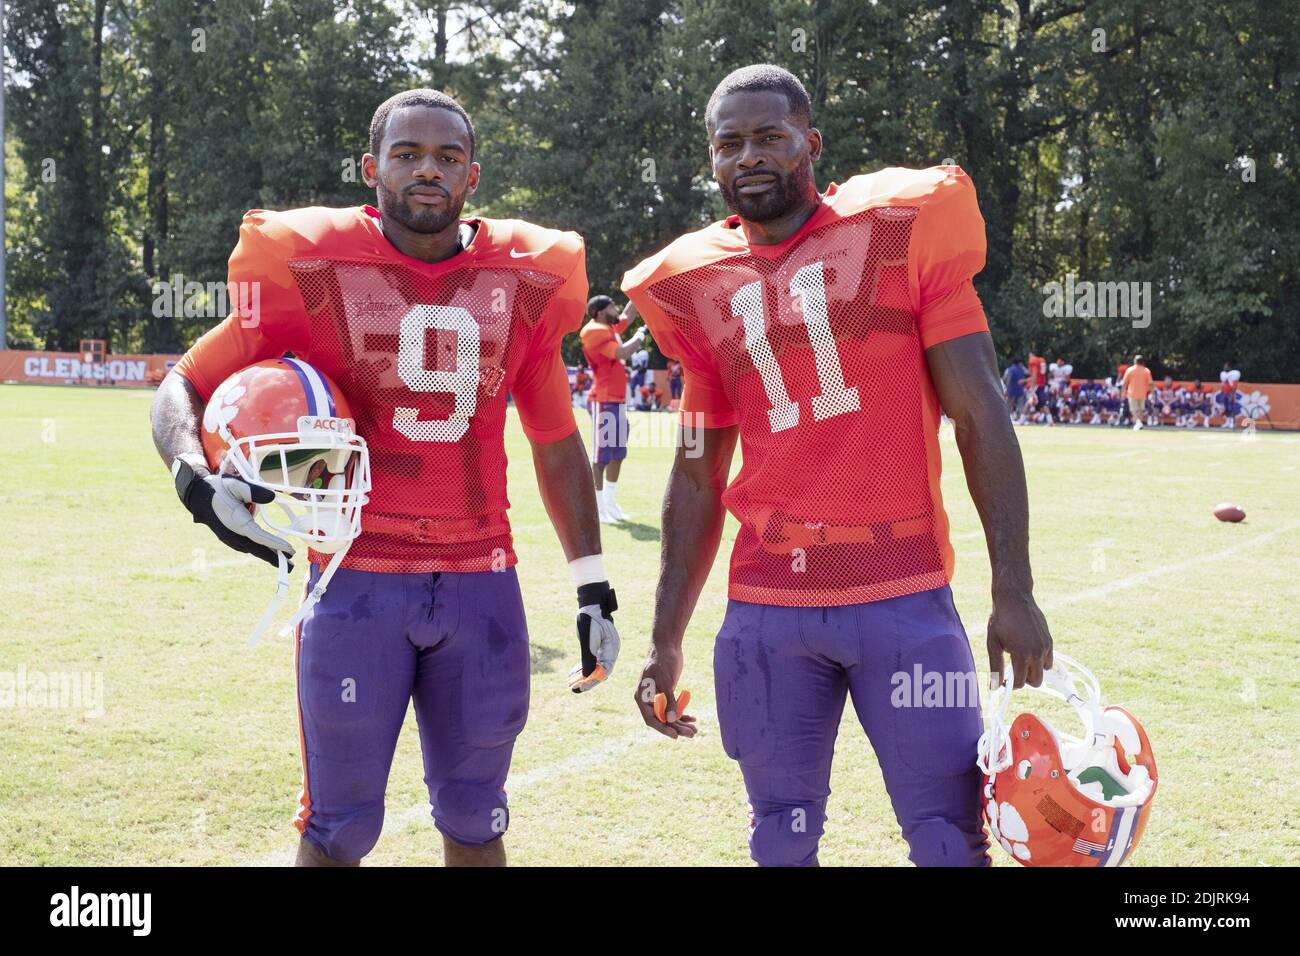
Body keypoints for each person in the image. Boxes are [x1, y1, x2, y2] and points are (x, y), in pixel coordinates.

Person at [149, 89, 623, 868]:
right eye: (407, 154)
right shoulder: (310, 270)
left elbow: (556, 439)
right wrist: (193, 478)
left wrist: (592, 583)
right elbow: (185, 383)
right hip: (356, 576)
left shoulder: (522, 279)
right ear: (372, 169)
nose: (427, 170)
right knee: (338, 827)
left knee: (477, 817)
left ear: (473, 175)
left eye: (447, 157)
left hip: (481, 578)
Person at [622, 64, 1053, 867]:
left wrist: (1013, 587)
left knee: (949, 838)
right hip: (768, 605)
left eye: (769, 136)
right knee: (779, 836)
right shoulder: (699, 280)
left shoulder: (899, 229)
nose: (749, 155)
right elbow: (696, 469)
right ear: (711, 159)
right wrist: (664, 638)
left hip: (903, 591)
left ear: (810, 143)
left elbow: (979, 412)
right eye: (729, 143)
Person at [580, 295, 645, 522]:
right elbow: (622, 352)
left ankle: (609, 502)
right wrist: (641, 334)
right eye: (611, 307)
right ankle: (598, 508)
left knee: (618, 453)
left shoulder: (609, 326)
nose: (616, 310)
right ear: (600, 312)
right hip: (603, 400)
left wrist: (639, 289)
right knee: (601, 456)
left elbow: (628, 313)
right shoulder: (594, 330)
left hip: (617, 400)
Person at [1119, 354, 1153, 431]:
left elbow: (1124, 383)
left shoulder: (1130, 370)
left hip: (1132, 393)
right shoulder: (1146, 371)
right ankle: (1139, 423)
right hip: (1143, 393)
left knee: (1133, 410)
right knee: (1141, 410)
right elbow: (1150, 383)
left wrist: (1122, 393)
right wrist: (1151, 392)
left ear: (1135, 361)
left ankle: (1138, 423)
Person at [1003, 356, 1030, 424]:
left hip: (1011, 389)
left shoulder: (1010, 369)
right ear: (1019, 362)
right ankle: (1022, 420)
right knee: (1021, 406)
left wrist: (1007, 388)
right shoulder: (1022, 369)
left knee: (1009, 405)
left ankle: (1007, 420)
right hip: (1020, 390)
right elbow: (1028, 373)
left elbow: (1007, 379)